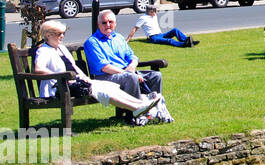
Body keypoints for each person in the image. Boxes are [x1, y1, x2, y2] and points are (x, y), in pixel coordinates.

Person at [36, 21, 170, 123]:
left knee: (109, 86)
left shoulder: (61, 49)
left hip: (76, 83)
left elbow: (74, 68)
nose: (62, 36)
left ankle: (140, 106)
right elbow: (38, 69)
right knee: (101, 90)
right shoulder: (43, 50)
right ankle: (137, 109)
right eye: (59, 34)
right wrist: (61, 77)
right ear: (48, 35)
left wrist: (84, 78)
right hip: (59, 88)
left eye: (63, 33)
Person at [86, 10, 170, 101]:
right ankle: (138, 109)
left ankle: (156, 107)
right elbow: (105, 67)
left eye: (110, 22)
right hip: (105, 76)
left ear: (115, 24)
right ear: (98, 24)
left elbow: (132, 56)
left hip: (126, 73)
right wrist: (128, 73)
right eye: (104, 23)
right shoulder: (92, 42)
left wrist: (132, 66)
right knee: (131, 78)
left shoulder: (118, 38)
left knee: (155, 76)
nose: (107, 25)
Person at [127, 4, 196, 47]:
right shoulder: (142, 18)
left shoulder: (154, 15)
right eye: (154, 10)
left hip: (160, 34)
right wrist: (127, 40)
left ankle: (187, 41)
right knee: (169, 40)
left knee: (175, 30)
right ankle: (183, 45)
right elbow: (135, 29)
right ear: (149, 11)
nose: (156, 12)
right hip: (153, 37)